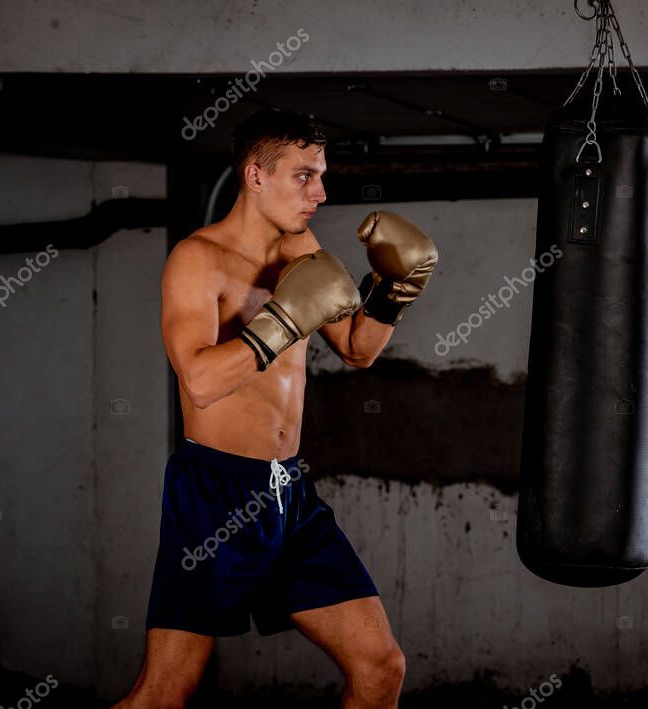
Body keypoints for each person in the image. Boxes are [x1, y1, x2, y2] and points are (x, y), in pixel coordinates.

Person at [113, 107, 437, 709]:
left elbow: (356, 349)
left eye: (322, 176)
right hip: (215, 492)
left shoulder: (301, 250)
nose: (320, 192)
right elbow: (201, 382)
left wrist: (394, 292)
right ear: (255, 175)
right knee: (163, 694)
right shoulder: (198, 259)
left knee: (381, 667)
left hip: (289, 493)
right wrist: (284, 322)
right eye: (304, 176)